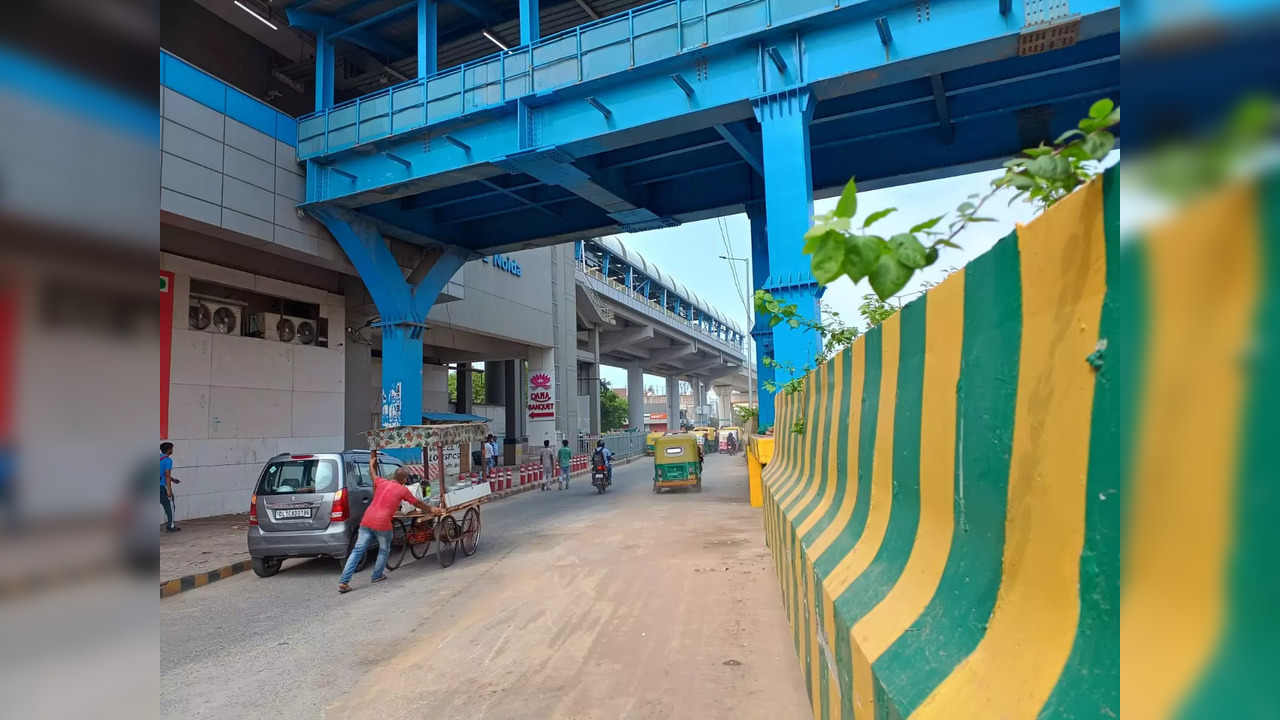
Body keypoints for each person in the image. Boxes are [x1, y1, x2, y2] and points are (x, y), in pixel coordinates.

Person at [339, 466, 442, 593]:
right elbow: (417, 503)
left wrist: (371, 464)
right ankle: (377, 576)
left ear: (393, 476)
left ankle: (344, 582)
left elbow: (372, 474)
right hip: (382, 524)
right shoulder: (402, 490)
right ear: (404, 479)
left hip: (366, 521)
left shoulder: (382, 482)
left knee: (357, 551)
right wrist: (431, 509)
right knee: (383, 550)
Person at [160, 442, 182, 533]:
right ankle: (171, 526)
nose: (172, 450)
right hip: (162, 487)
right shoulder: (168, 460)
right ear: (169, 449)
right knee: (170, 505)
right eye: (172, 448)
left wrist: (173, 480)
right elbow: (167, 475)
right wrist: (169, 490)